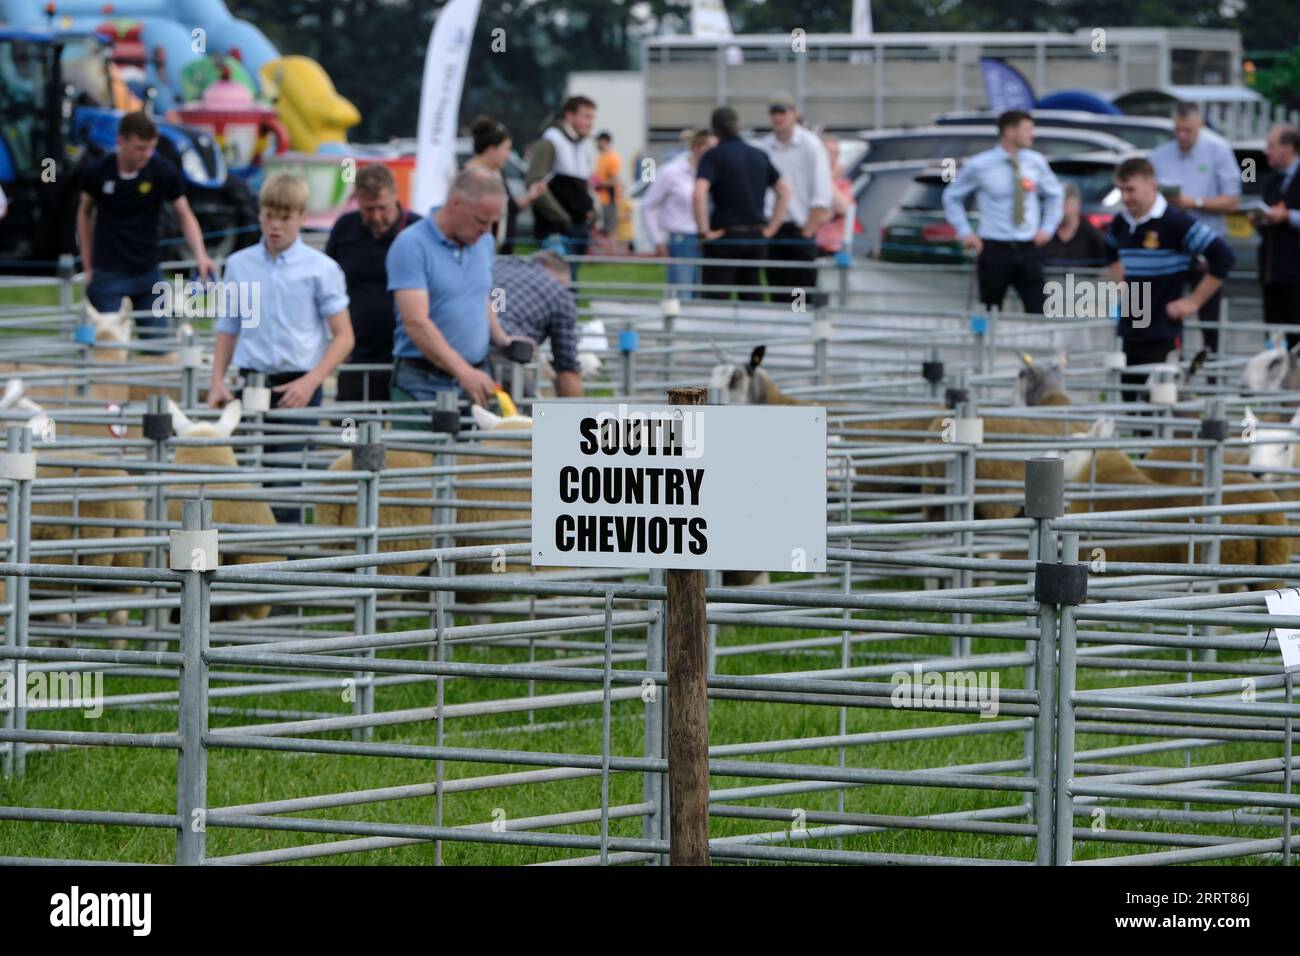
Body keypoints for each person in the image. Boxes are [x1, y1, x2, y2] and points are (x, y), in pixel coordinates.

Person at [209, 174, 353, 520]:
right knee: (245, 478)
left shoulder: (322, 269)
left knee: (287, 481)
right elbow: (230, 326)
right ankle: (247, 564)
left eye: (286, 217)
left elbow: (344, 335)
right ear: (260, 214)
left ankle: (280, 566)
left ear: (302, 218)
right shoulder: (240, 264)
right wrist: (216, 379)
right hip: (251, 382)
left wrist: (311, 381)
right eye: (270, 214)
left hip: (298, 386)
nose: (276, 225)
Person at [387, 166, 529, 410]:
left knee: (479, 449)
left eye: (493, 223)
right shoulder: (411, 244)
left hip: (476, 377)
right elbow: (416, 323)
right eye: (481, 221)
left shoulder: (483, 241)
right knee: (419, 449)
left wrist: (502, 340)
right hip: (424, 382)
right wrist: (463, 371)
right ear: (455, 204)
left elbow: (480, 296)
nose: (487, 230)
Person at [1104, 157, 1233, 403]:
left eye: (1130, 189)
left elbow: (1224, 256)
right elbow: (1109, 251)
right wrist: (1122, 284)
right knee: (1131, 407)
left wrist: (1194, 302)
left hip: (1162, 331)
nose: (1125, 197)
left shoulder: (1176, 222)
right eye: (1121, 190)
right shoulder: (1119, 224)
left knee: (1161, 408)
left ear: (1151, 185)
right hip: (1129, 330)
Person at [77, 110, 215, 333]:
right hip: (107, 273)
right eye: (141, 148)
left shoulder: (162, 171)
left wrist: (200, 255)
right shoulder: (97, 172)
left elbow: (185, 214)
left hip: (148, 273)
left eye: (151, 147)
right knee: (108, 351)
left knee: (158, 348)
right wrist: (87, 263)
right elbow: (84, 213)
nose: (148, 154)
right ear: (121, 141)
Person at [941, 109, 1064, 314]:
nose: (1031, 135)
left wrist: (1048, 228)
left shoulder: (1035, 162)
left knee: (1038, 309)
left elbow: (1055, 194)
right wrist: (965, 232)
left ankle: (1032, 347)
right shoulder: (979, 164)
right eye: (1027, 129)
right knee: (990, 311)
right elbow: (952, 196)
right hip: (994, 248)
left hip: (1028, 247)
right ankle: (990, 347)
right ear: (1009, 132)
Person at [1149, 102, 1241, 357]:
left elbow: (1233, 199)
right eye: (1177, 130)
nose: (1181, 136)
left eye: (1187, 130)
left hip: (1206, 245)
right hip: (1171, 247)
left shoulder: (1218, 150)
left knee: (1208, 318)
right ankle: (1168, 368)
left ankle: (1212, 375)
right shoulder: (1159, 156)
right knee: (1167, 311)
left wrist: (1195, 203)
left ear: (1199, 125)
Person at [325, 164, 421, 404]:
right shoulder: (345, 228)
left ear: (396, 195)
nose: (377, 217)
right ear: (356, 201)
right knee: (350, 430)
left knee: (408, 437)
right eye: (368, 209)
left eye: (382, 208)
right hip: (356, 352)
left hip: (408, 356)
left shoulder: (418, 231)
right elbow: (326, 284)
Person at [694, 106, 792, 302]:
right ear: (739, 126)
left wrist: (704, 231)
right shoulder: (759, 155)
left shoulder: (713, 156)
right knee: (752, 292)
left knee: (716, 297)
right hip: (756, 235)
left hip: (725, 237)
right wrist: (771, 228)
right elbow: (785, 192)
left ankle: (717, 332)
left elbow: (699, 193)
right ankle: (753, 331)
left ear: (714, 131)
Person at [758, 93, 833, 305]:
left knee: (800, 295)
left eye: (782, 112)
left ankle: (801, 333)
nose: (777, 117)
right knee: (777, 289)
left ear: (794, 113)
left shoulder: (811, 145)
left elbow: (821, 194)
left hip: (800, 229)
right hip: (774, 229)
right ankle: (782, 333)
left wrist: (807, 232)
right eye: (773, 112)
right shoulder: (764, 147)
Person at [492, 250, 583, 397]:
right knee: (526, 412)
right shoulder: (560, 293)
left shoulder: (503, 264)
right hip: (502, 351)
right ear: (561, 279)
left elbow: (498, 308)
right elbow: (566, 368)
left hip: (456, 340)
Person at [641, 128, 716, 298]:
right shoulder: (671, 172)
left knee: (703, 297)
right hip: (682, 240)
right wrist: (657, 241)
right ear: (697, 147)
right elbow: (648, 206)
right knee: (683, 297)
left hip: (707, 240)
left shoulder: (714, 173)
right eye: (711, 148)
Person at [527, 95, 598, 273]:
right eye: (586, 117)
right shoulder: (550, 141)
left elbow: (581, 187)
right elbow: (536, 183)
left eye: (592, 117)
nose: (590, 123)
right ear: (569, 116)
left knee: (570, 286)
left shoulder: (581, 145)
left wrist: (591, 211)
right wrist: (563, 219)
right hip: (556, 233)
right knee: (560, 286)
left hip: (576, 229)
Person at [465, 115, 547, 254]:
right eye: (506, 149)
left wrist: (531, 196)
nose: (508, 155)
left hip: (503, 253)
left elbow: (510, 209)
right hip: (479, 253)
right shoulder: (468, 177)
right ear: (492, 149)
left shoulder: (498, 173)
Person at [1257, 124, 1300, 350]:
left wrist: (1288, 216)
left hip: (1296, 276)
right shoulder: (1271, 181)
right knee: (1274, 339)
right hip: (1272, 273)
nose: (1267, 152)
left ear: (1288, 148)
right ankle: (1276, 385)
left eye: (1271, 146)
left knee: (1296, 339)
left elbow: (1286, 216)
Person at [1038, 183, 1107, 268]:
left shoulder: (1092, 236)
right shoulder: (1044, 235)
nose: (1058, 208)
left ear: (1077, 204)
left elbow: (1105, 270)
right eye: (1055, 204)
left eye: (1063, 203)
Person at [815, 130, 854, 256]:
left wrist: (828, 181)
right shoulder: (810, 180)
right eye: (829, 152)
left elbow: (843, 208)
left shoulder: (842, 184)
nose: (833, 157)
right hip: (811, 244)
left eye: (836, 153)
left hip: (834, 249)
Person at [592, 130, 621, 238]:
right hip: (602, 199)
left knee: (610, 229)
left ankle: (612, 253)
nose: (597, 144)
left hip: (610, 199)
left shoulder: (612, 158)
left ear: (604, 141)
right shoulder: (601, 158)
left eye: (598, 141)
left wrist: (599, 184)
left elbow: (614, 181)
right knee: (604, 229)